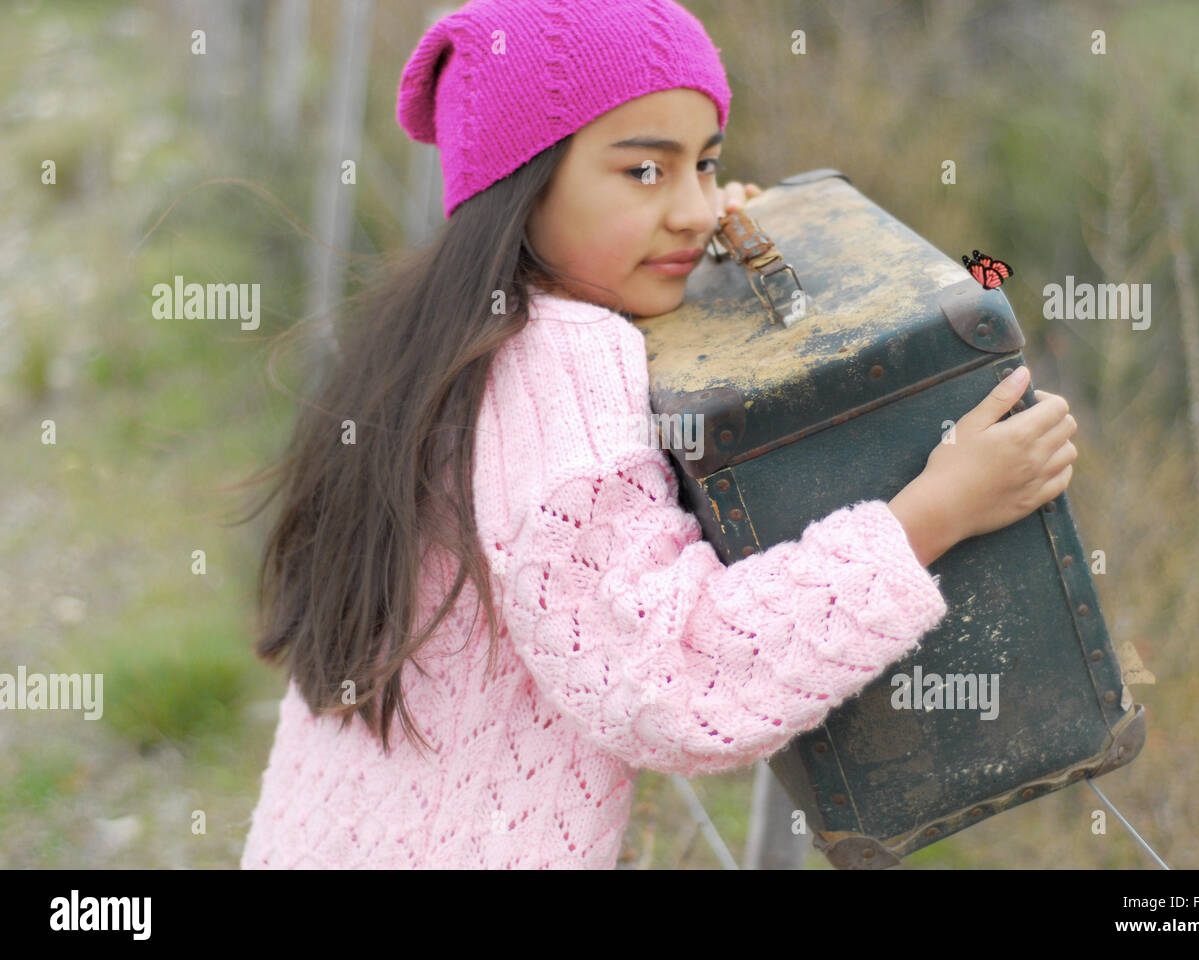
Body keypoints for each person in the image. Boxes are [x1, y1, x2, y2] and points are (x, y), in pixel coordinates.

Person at [239, 0, 1077, 869]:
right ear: (522, 182)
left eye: (707, 166)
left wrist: (704, 259)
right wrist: (934, 514)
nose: (695, 210)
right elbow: (677, 679)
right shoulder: (565, 363)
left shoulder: (441, 338)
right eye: (646, 170)